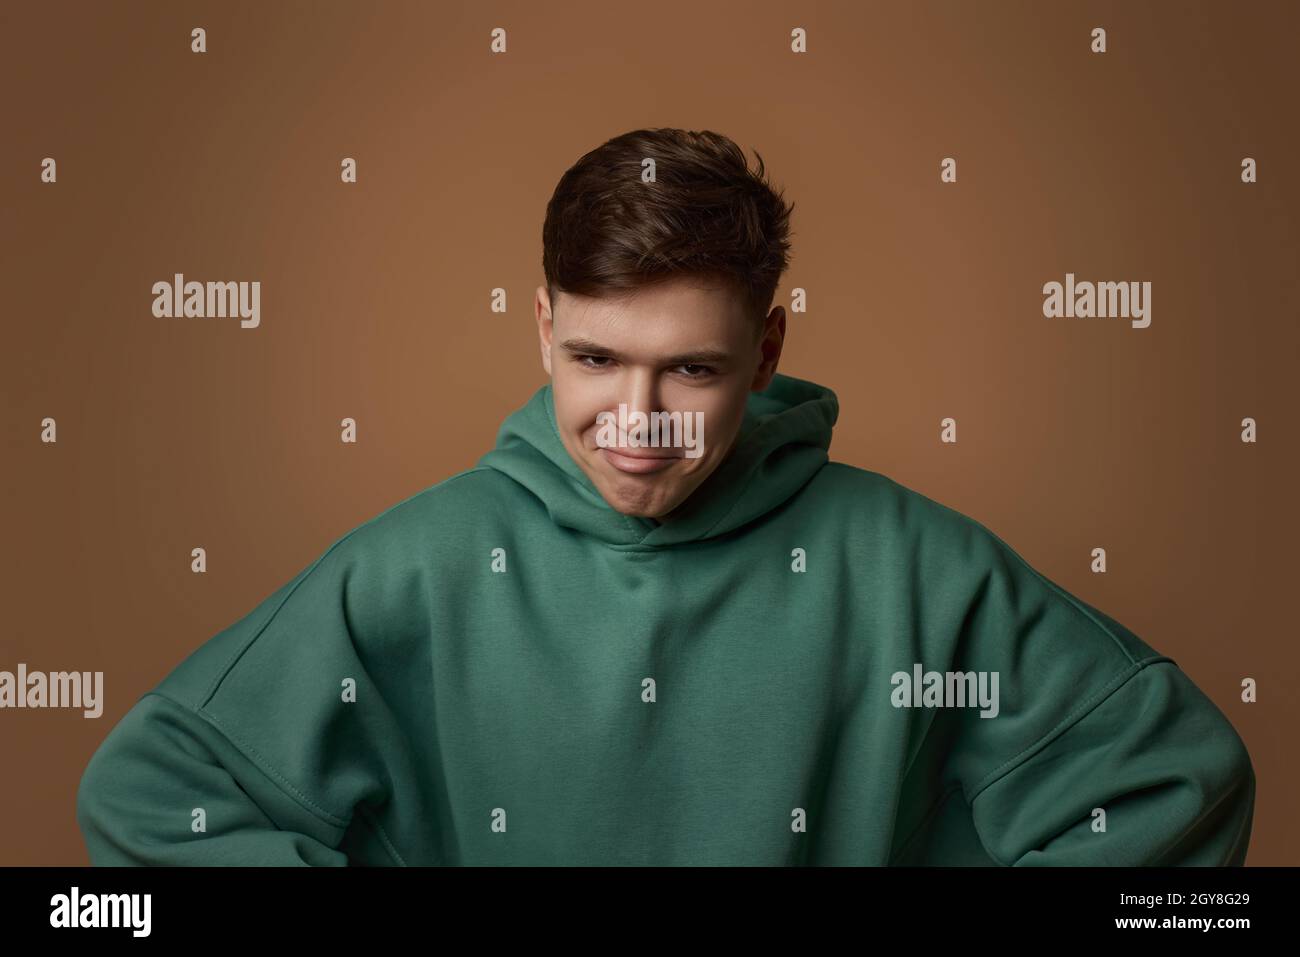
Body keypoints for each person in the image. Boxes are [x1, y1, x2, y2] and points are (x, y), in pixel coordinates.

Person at [76, 128, 1255, 866]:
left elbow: (1170, 788)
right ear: (543, 327)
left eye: (688, 367)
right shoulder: (413, 569)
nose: (636, 420)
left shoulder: (923, 573)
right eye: (594, 360)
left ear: (768, 346)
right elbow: (153, 797)